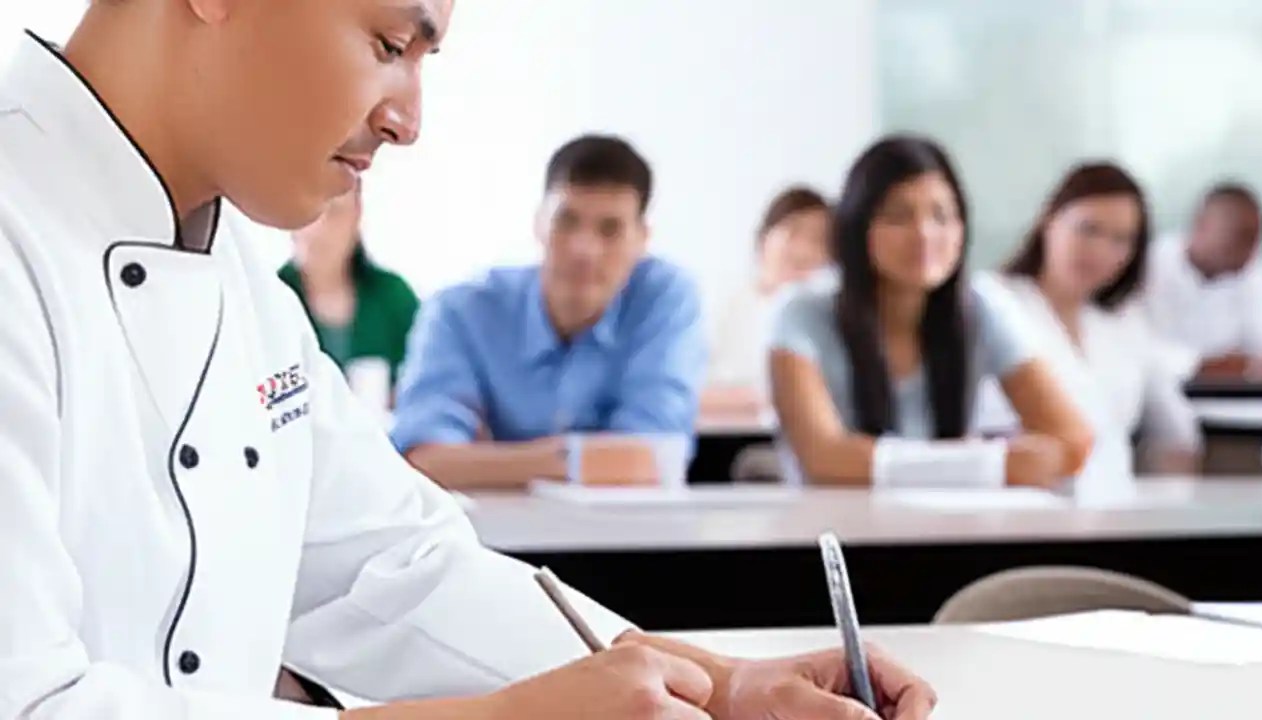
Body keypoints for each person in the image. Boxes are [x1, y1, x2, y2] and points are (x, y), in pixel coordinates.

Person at [0, 4, 937, 720]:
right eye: (388, 44)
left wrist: (722, 687)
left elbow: (399, 567)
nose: (408, 119)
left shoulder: (236, 278)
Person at [770, 136, 1094, 487]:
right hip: (833, 534)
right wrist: (989, 464)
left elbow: (1072, 440)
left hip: (948, 531)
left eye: (942, 216)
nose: (924, 234)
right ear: (857, 225)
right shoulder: (801, 312)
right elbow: (824, 457)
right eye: (898, 217)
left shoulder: (981, 305)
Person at [392, 135, 708, 490]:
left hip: (624, 536)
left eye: (610, 229)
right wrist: (590, 461)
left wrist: (487, 460)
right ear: (539, 222)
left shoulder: (666, 297)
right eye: (567, 221)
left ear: (642, 239)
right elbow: (423, 460)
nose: (584, 249)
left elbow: (651, 460)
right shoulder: (460, 312)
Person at [998, 163, 1202, 476]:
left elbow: (1177, 434)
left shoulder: (1123, 323)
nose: (1100, 251)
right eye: (1088, 229)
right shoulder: (998, 303)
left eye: (1121, 239)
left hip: (1114, 512)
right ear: (1050, 220)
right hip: (1020, 508)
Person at [278, 180, 419, 409]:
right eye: (308, 214)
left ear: (357, 214)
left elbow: (426, 386)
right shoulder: (270, 300)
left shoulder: (393, 295)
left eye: (333, 213)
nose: (318, 230)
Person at [702, 185, 833, 422]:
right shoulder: (719, 304)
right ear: (764, 238)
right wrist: (761, 400)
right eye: (793, 232)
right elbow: (681, 395)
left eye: (818, 239)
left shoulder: (826, 319)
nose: (804, 249)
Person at [1143, 183, 1262, 379]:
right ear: (1201, 225)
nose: (1250, 250)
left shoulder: (1257, 277)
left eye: (1255, 239)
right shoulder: (1147, 267)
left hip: (1235, 402)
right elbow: (1130, 346)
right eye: (1241, 236)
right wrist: (1202, 365)